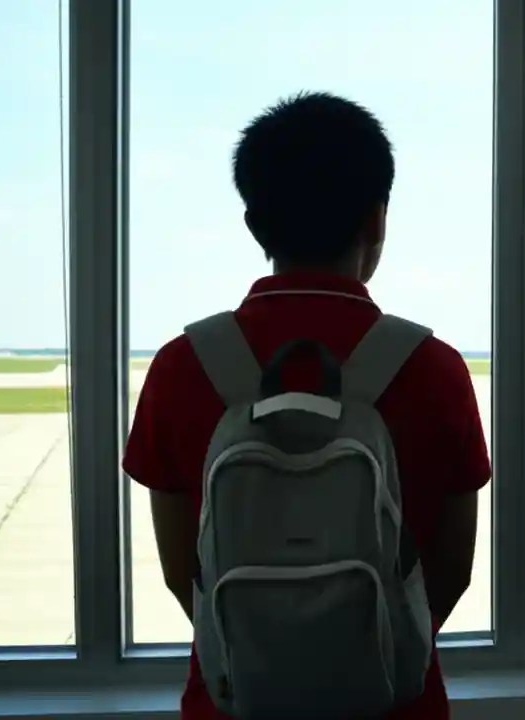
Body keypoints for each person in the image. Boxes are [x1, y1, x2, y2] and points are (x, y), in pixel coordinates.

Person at [122, 90, 491, 719]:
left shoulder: (180, 365)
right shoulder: (436, 368)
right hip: (394, 700)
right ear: (377, 220)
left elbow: (184, 571)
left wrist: (273, 649)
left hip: (234, 701)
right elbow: (450, 571)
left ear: (254, 224)